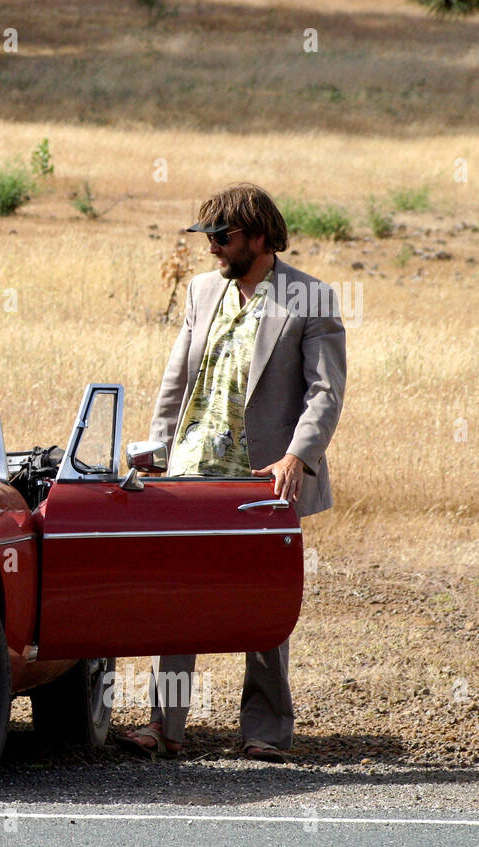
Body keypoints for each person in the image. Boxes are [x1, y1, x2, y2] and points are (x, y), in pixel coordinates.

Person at [120, 183, 346, 763]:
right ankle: (164, 728)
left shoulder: (310, 298)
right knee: (178, 599)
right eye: (209, 239)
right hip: (192, 472)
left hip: (264, 477)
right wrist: (157, 450)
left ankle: (265, 732)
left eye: (223, 238)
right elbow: (176, 381)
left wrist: (299, 456)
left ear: (260, 237)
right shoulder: (201, 291)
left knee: (263, 602)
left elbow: (325, 391)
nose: (213, 250)